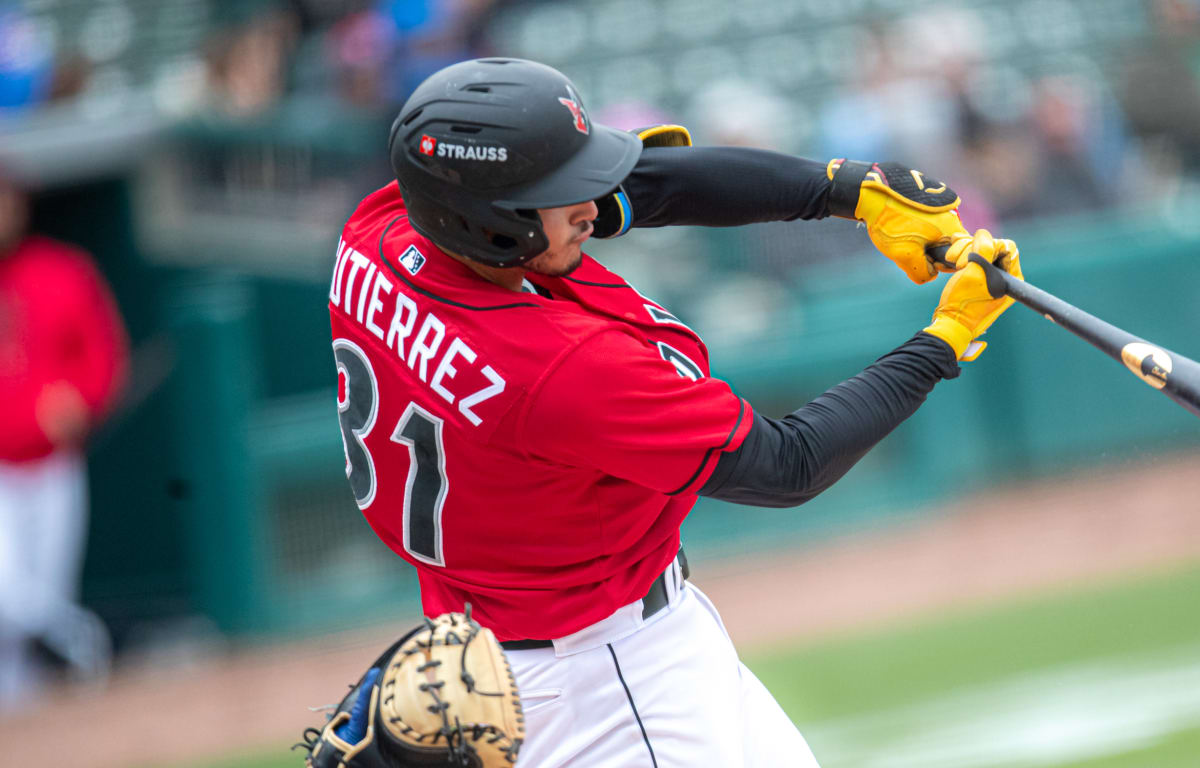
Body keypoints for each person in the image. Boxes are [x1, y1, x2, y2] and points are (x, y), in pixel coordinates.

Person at [326, 57, 1023, 767]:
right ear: (487, 221)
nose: (590, 206)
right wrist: (943, 341)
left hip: (511, 641)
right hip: (604, 681)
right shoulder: (559, 369)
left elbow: (640, 187)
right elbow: (786, 465)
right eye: (559, 194)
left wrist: (847, 191)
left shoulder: (381, 231)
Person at [0, 168, 127, 709]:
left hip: (53, 465)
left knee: (35, 608)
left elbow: (103, 356)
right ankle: (79, 634)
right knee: (7, 596)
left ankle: (34, 729)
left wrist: (83, 399)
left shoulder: (62, 268)